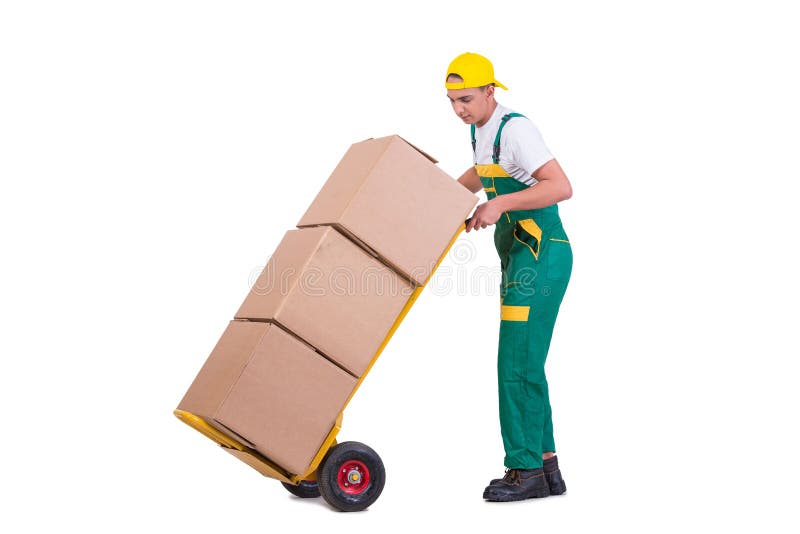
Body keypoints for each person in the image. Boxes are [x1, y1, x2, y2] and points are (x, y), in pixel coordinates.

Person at [445, 52, 574, 502]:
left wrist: (497, 205)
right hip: (519, 259)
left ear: (489, 91)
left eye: (465, 98)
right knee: (526, 362)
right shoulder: (480, 132)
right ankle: (546, 465)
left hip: (541, 257)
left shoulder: (515, 128)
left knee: (515, 362)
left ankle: (524, 472)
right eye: (451, 101)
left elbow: (560, 186)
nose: (459, 108)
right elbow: (477, 177)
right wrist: (429, 198)